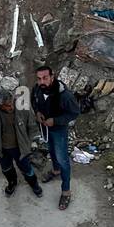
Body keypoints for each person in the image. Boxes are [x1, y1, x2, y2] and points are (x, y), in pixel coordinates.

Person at [31, 64, 81, 210]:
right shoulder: (37, 89)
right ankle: (55, 171)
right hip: (45, 128)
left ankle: (66, 191)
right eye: (39, 79)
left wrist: (56, 121)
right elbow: (34, 100)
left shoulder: (65, 95)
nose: (42, 82)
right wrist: (37, 112)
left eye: (45, 78)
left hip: (59, 130)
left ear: (52, 77)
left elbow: (74, 113)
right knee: (51, 151)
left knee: (62, 159)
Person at [0, 89, 43, 199]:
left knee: (26, 168)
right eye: (7, 106)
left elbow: (32, 126)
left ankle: (34, 185)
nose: (11, 108)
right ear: (0, 106)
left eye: (11, 103)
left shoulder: (23, 107)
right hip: (2, 148)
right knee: (6, 168)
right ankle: (12, 183)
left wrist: (29, 142)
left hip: (20, 148)